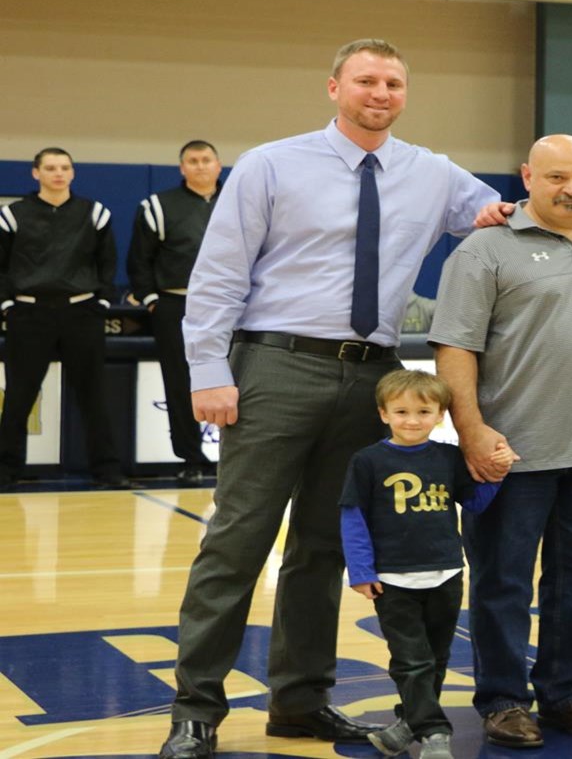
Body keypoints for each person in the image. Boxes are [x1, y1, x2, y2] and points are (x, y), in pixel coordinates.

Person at [159, 39, 504, 759]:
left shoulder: (431, 173)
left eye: (394, 83)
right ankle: (196, 710)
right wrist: (206, 372)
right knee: (237, 541)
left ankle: (301, 701)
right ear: (334, 87)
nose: (381, 92)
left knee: (322, 549)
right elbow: (219, 273)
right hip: (275, 364)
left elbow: (505, 214)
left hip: (369, 376)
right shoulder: (271, 164)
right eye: (367, 80)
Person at [430, 134, 572, 748]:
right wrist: (471, 431)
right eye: (557, 177)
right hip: (509, 451)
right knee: (503, 579)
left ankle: (568, 694)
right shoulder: (483, 250)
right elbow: (455, 348)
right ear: (527, 176)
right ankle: (501, 699)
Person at [339, 369, 507, 759]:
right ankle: (434, 732)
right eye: (401, 411)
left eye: (423, 411)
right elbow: (353, 517)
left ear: (440, 415)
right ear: (383, 414)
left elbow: (475, 504)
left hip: (446, 574)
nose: (412, 420)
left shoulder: (449, 457)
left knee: (435, 659)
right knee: (411, 660)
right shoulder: (367, 461)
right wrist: (361, 571)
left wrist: (497, 474)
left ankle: (405, 726)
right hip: (392, 580)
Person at [0, 147, 126, 492]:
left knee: (93, 394)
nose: (59, 173)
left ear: (73, 173)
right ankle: (6, 470)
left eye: (65, 167)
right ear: (35, 173)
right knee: (19, 396)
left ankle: (107, 470)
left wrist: (101, 301)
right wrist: (7, 305)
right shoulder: (12, 215)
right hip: (29, 314)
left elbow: (107, 263)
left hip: (81, 313)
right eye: (51, 167)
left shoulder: (95, 213)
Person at [128, 139, 224, 481]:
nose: (200, 166)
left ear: (218, 164)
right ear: (182, 168)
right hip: (176, 305)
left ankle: (233, 457)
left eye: (206, 160)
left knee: (238, 380)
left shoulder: (239, 202)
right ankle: (191, 460)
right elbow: (140, 261)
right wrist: (152, 300)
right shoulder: (157, 205)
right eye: (192, 161)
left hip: (230, 307)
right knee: (180, 382)